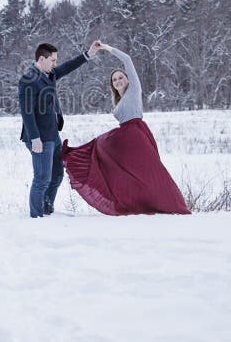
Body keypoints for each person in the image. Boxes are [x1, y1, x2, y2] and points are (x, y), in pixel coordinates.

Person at [61, 42, 191, 215]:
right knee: (122, 172)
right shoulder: (118, 100)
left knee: (152, 171)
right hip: (124, 139)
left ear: (128, 79)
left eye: (121, 77)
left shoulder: (134, 89)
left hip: (137, 135)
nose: (118, 81)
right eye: (114, 80)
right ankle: (136, 203)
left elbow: (127, 60)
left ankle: (173, 206)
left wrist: (106, 48)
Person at [19, 40, 103, 218]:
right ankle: (36, 216)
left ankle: (47, 210)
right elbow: (27, 113)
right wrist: (35, 139)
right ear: (42, 59)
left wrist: (88, 54)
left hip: (53, 134)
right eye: (53, 60)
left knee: (57, 175)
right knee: (42, 179)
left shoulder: (50, 74)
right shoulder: (28, 79)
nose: (55, 64)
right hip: (39, 137)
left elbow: (67, 67)